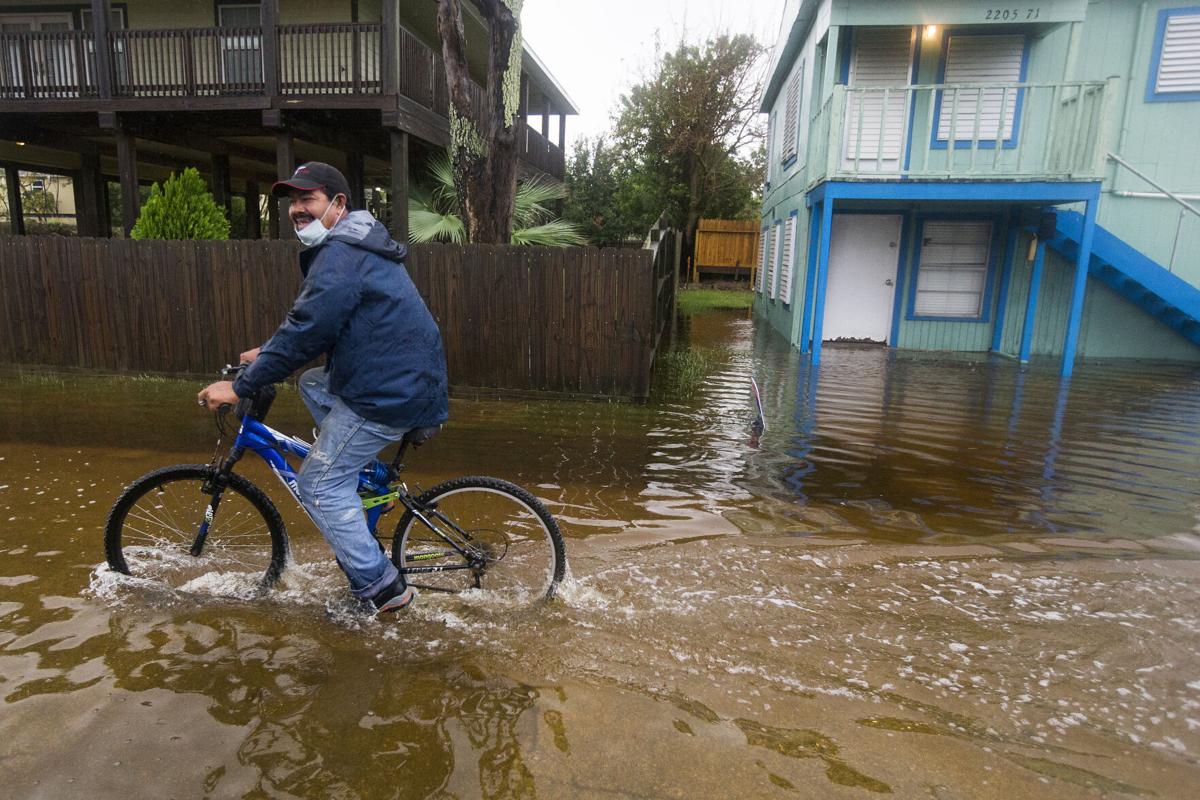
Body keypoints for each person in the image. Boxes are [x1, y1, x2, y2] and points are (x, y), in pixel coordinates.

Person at [197, 162, 449, 613]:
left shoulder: (342, 253)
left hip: (389, 393)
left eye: (307, 199)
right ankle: (365, 479)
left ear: (338, 203)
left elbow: (307, 327)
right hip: (399, 379)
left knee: (317, 483)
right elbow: (322, 324)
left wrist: (240, 387)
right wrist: (268, 352)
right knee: (313, 382)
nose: (297, 209)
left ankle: (383, 590)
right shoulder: (353, 244)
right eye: (292, 201)